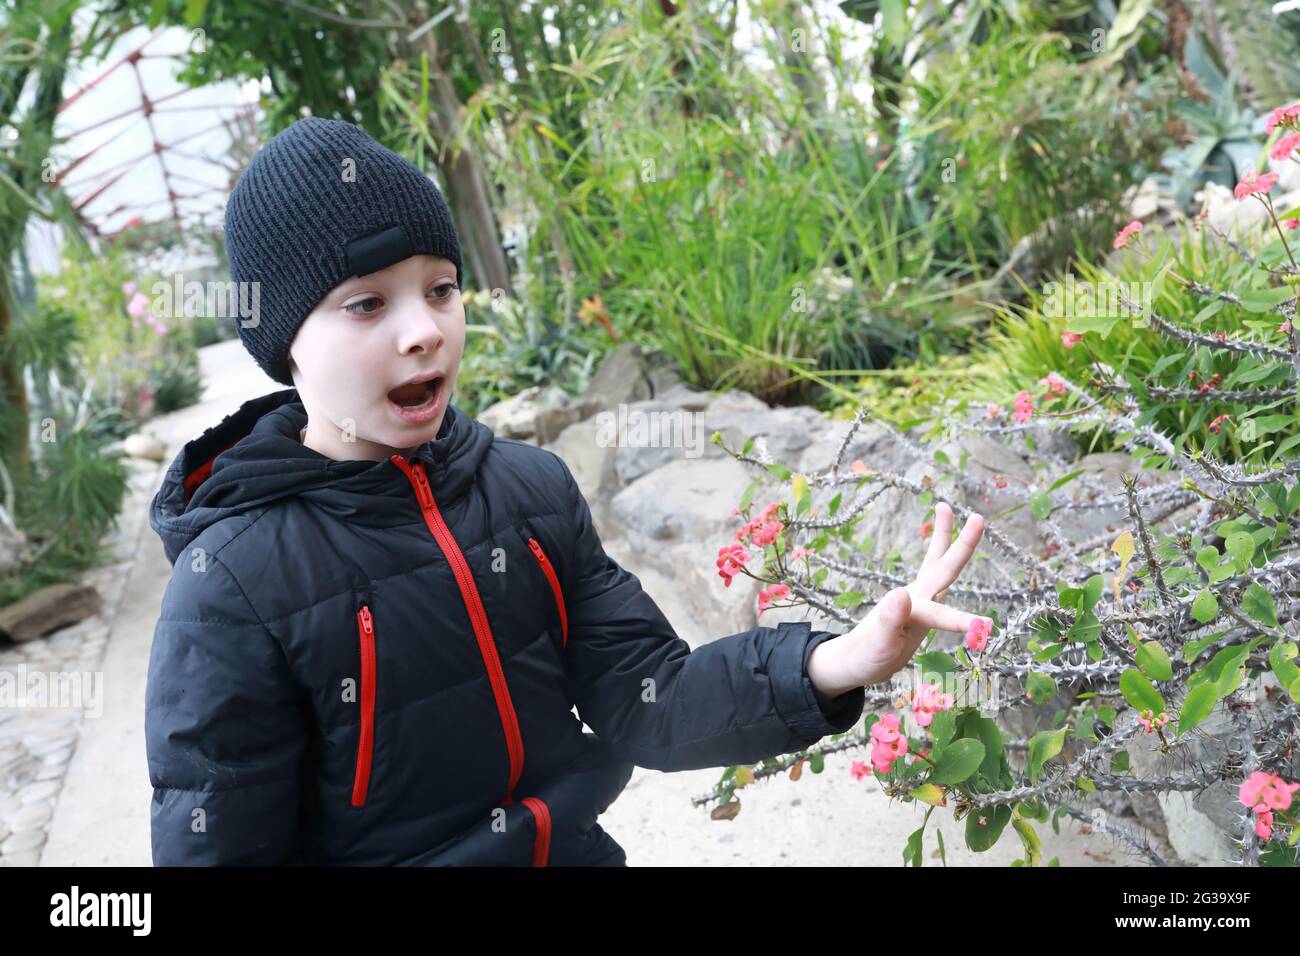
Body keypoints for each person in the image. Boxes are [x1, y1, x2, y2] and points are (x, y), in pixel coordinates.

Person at [145, 117, 988, 866]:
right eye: (367, 304)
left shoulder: (531, 491)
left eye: (441, 288)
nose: (424, 330)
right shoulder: (234, 582)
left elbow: (645, 697)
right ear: (282, 345)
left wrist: (835, 663)